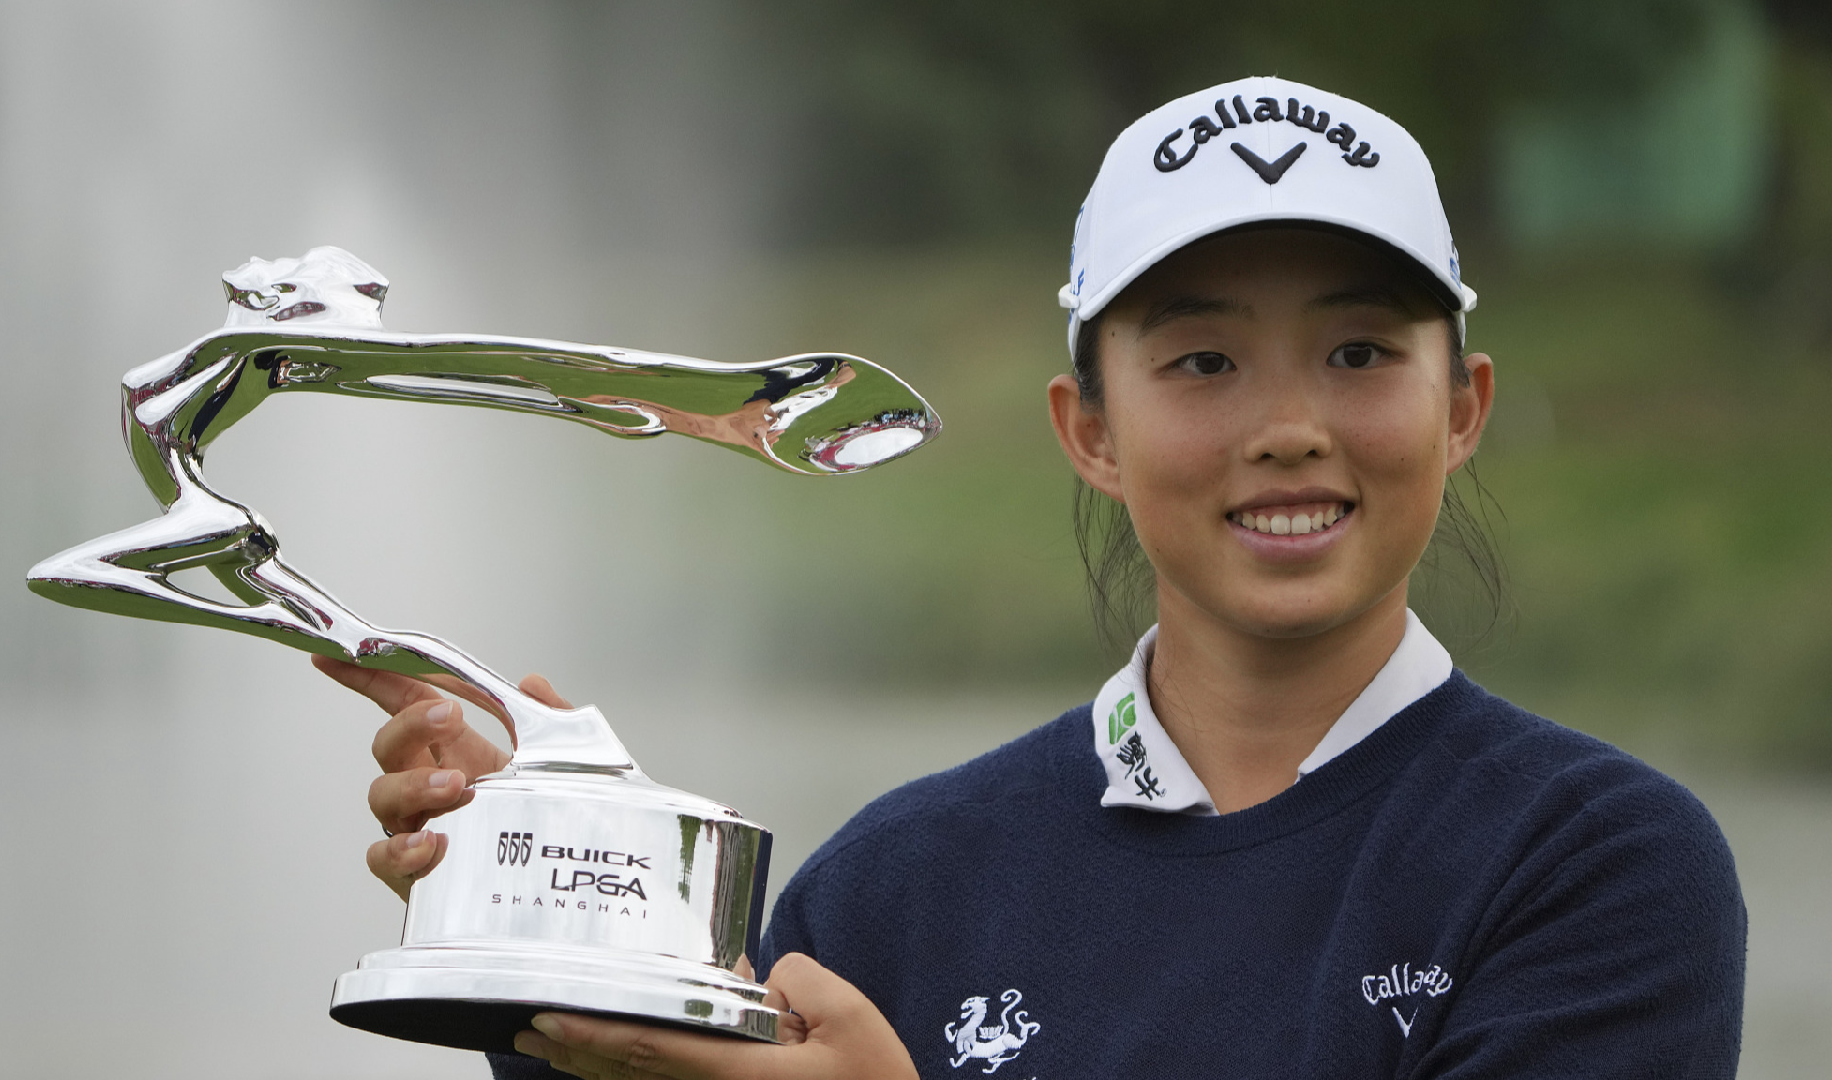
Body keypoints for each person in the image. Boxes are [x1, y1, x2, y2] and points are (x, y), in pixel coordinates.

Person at [320, 76, 1746, 1079]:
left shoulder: (1600, 866)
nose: (1291, 423)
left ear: (1463, 407)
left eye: (1361, 350)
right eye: (1202, 360)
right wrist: (535, 886)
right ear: (1093, 433)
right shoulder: (899, 882)